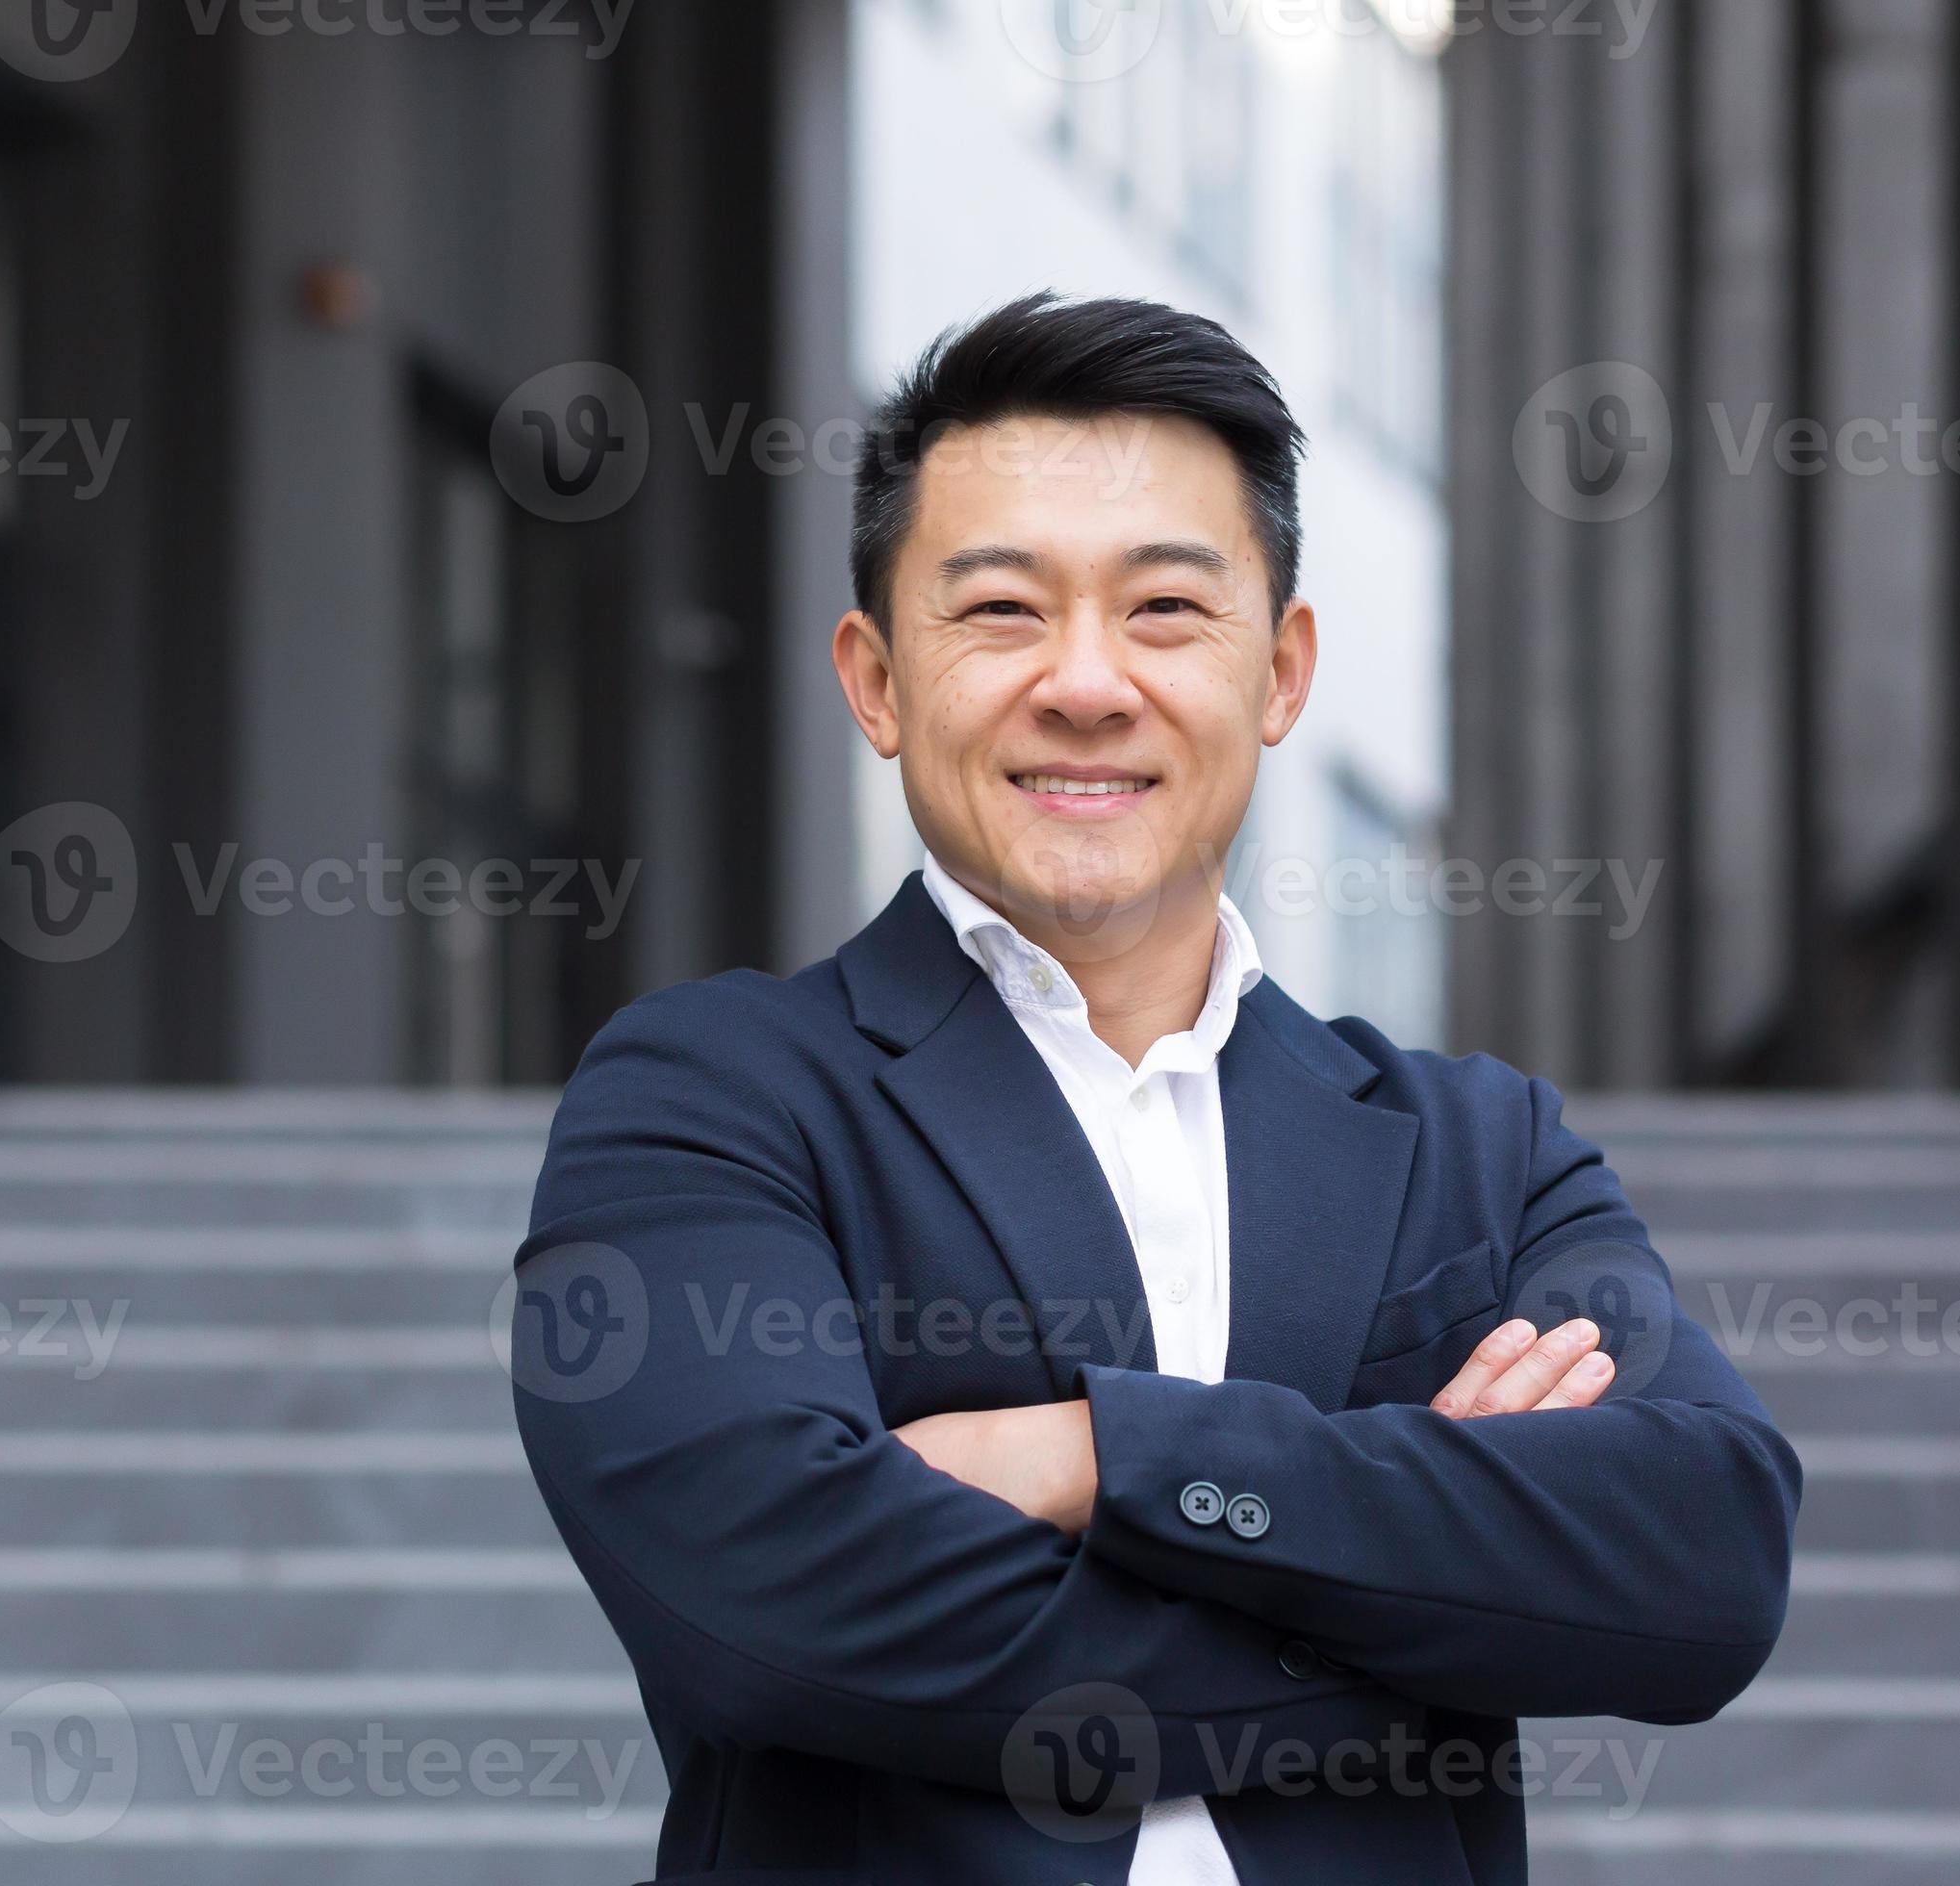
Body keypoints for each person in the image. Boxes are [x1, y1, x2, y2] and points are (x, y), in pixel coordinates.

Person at [507, 293, 1799, 1884]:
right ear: (877, 680)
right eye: (1001, 610)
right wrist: (1427, 1609)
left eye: (1166, 609)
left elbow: (1701, 1558)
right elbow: (766, 1603)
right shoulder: (714, 1096)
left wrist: (1097, 1456)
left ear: (1283, 671)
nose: (1086, 682)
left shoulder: (1477, 1149)